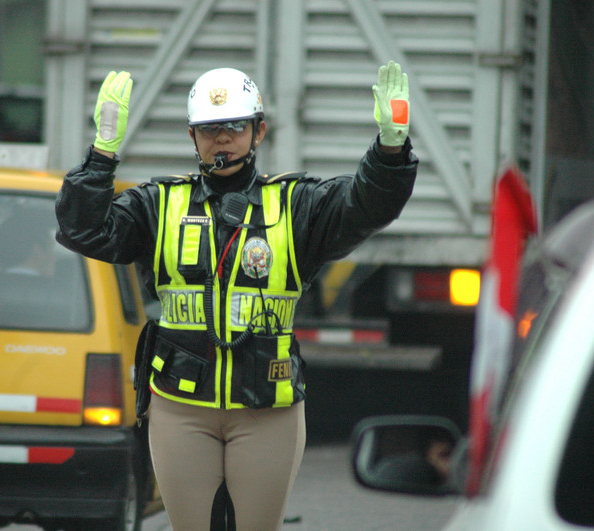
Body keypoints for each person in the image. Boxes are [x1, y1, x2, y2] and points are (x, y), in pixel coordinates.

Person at [55, 62, 418, 530]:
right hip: (181, 408)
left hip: (267, 409)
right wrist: (102, 154)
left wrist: (390, 150)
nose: (222, 138)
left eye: (234, 126)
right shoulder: (159, 204)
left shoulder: (295, 204)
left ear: (258, 131)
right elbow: (83, 230)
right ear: (192, 137)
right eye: (209, 129)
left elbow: (367, 206)